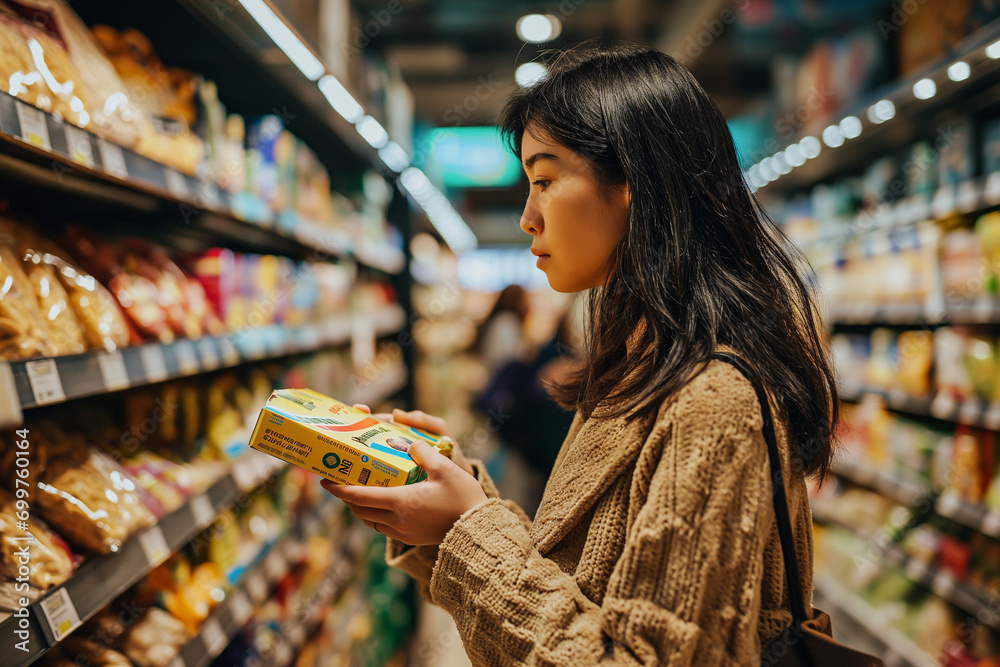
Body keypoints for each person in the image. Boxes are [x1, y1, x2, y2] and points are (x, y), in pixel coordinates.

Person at [323, 41, 838, 665]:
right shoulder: (641, 364)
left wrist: (467, 531)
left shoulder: (712, 401)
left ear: (634, 184)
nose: (526, 217)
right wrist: (458, 497)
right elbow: (577, 580)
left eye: (544, 179)